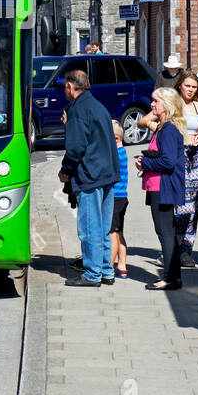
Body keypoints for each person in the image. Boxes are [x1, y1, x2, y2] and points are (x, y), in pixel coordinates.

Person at [58, 69, 118, 288]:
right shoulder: (97, 106)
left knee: (89, 226)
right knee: (102, 226)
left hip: (90, 174)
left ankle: (92, 274)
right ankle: (105, 270)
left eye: (65, 86)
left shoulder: (78, 109)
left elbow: (75, 147)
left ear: (71, 87)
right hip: (107, 173)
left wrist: (66, 170)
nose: (65, 90)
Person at [136, 87, 188, 290]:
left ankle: (170, 278)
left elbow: (168, 162)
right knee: (166, 231)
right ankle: (173, 276)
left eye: (155, 101)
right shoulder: (163, 127)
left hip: (162, 187)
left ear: (165, 105)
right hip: (158, 186)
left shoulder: (168, 129)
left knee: (165, 231)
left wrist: (145, 164)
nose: (152, 104)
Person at [174, 70, 198, 268]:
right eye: (187, 86)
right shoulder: (171, 105)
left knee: (191, 206)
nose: (190, 90)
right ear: (180, 85)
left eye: (194, 87)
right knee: (177, 204)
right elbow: (147, 121)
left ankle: (187, 249)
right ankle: (173, 248)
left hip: (194, 158)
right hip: (175, 158)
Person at [109, 120, 130, 279]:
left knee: (113, 233)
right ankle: (122, 265)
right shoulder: (122, 152)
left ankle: (108, 266)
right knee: (119, 232)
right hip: (122, 197)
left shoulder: (116, 154)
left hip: (115, 197)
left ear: (116, 138)